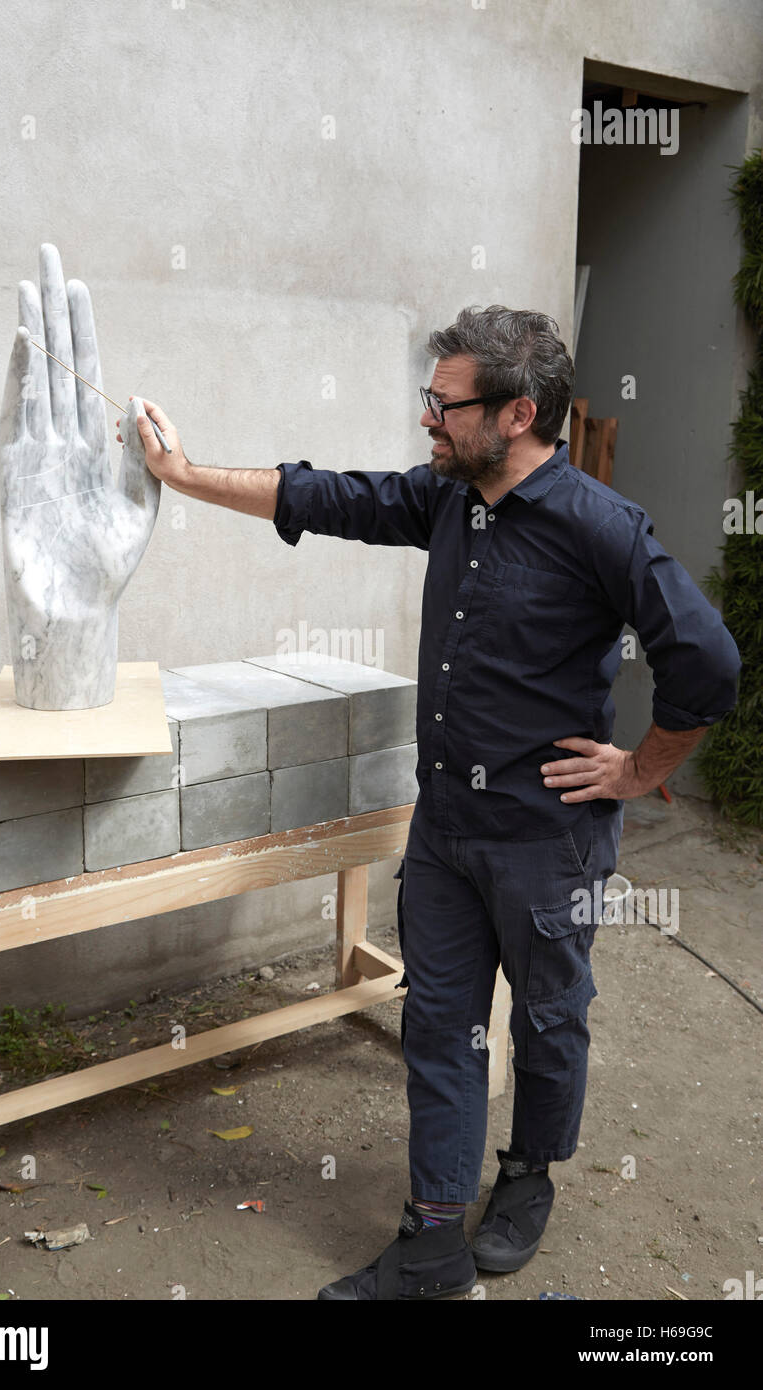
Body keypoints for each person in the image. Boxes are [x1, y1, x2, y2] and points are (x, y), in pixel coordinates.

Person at [117, 305, 741, 1301]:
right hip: (447, 833)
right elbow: (325, 495)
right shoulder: (451, 501)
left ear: (516, 414)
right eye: (428, 401)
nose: (425, 423)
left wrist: (634, 770)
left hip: (547, 846)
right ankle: (433, 1238)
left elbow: (706, 662)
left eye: (442, 406)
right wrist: (185, 475)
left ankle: (528, 1173)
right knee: (441, 1027)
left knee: (546, 1021)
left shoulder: (599, 528)